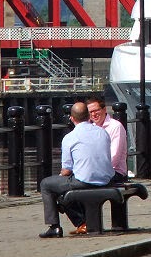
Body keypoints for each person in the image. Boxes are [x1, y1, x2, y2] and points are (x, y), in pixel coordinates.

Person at [38, 102, 114, 238]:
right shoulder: (103, 133)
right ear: (88, 116)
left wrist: (61, 177)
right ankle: (82, 223)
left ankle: (54, 226)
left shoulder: (70, 138)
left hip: (86, 181)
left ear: (72, 118)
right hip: (106, 179)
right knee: (65, 191)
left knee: (47, 184)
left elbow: (67, 170)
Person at [85, 95, 128, 183]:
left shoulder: (115, 126)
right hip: (95, 172)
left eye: (96, 110)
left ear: (104, 109)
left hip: (114, 172)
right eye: (90, 112)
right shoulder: (90, 128)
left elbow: (114, 157)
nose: (93, 114)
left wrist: (96, 170)